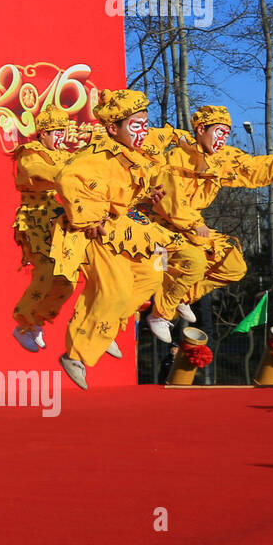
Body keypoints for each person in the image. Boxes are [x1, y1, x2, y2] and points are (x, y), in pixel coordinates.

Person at [145, 104, 273, 340]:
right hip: (162, 225)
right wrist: (195, 224)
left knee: (233, 265)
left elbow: (251, 167)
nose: (222, 139)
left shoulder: (222, 158)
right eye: (219, 132)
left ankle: (182, 296)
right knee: (194, 260)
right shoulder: (176, 157)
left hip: (192, 227)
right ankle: (160, 314)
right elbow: (170, 199)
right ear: (202, 129)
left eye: (226, 133)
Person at [50, 89, 179, 389]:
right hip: (96, 232)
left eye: (145, 123)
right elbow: (67, 181)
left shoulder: (136, 152)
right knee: (114, 292)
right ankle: (77, 355)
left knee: (151, 275)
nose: (144, 130)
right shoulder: (96, 155)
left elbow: (124, 193)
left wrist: (147, 196)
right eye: (136, 124)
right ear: (113, 128)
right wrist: (91, 218)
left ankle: (102, 329)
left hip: (126, 229)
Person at [10, 106, 77, 353]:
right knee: (46, 270)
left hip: (58, 219)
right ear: (43, 134)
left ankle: (35, 322)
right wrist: (67, 174)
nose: (60, 137)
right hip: (34, 219)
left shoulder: (65, 156)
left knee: (67, 279)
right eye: (55, 131)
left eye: (62, 131)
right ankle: (23, 319)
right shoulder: (30, 152)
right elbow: (34, 171)